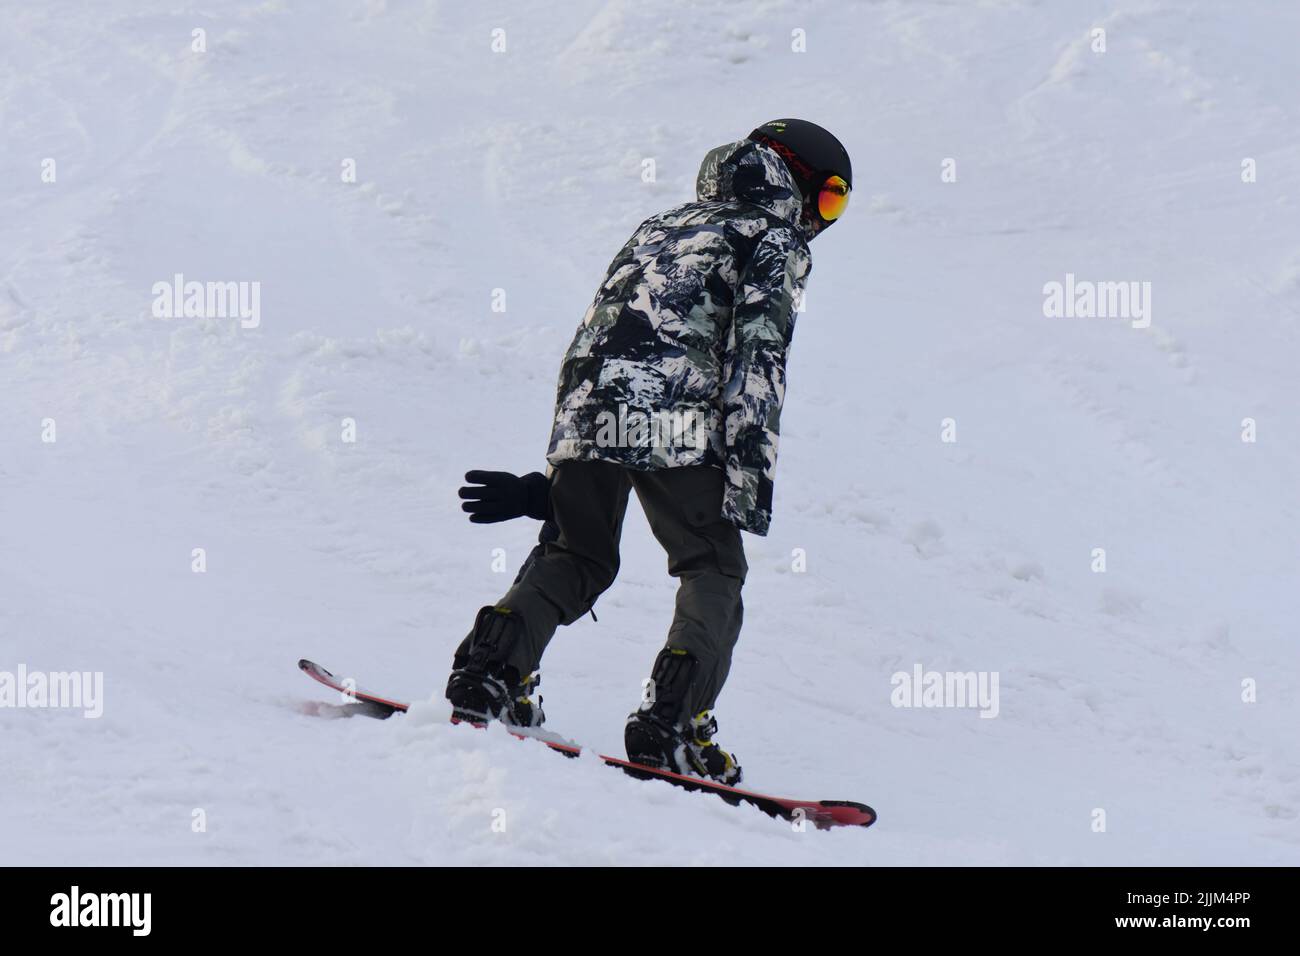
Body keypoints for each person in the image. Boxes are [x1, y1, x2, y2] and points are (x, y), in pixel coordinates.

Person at [445, 120, 853, 784]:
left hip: (591, 402)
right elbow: (759, 361)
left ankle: (490, 672)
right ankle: (674, 723)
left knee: (575, 551)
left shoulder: (661, 224)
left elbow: (601, 329)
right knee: (711, 566)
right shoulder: (773, 239)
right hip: (680, 417)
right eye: (829, 197)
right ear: (794, 178)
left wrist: (565, 459)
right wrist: (745, 481)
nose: (824, 218)